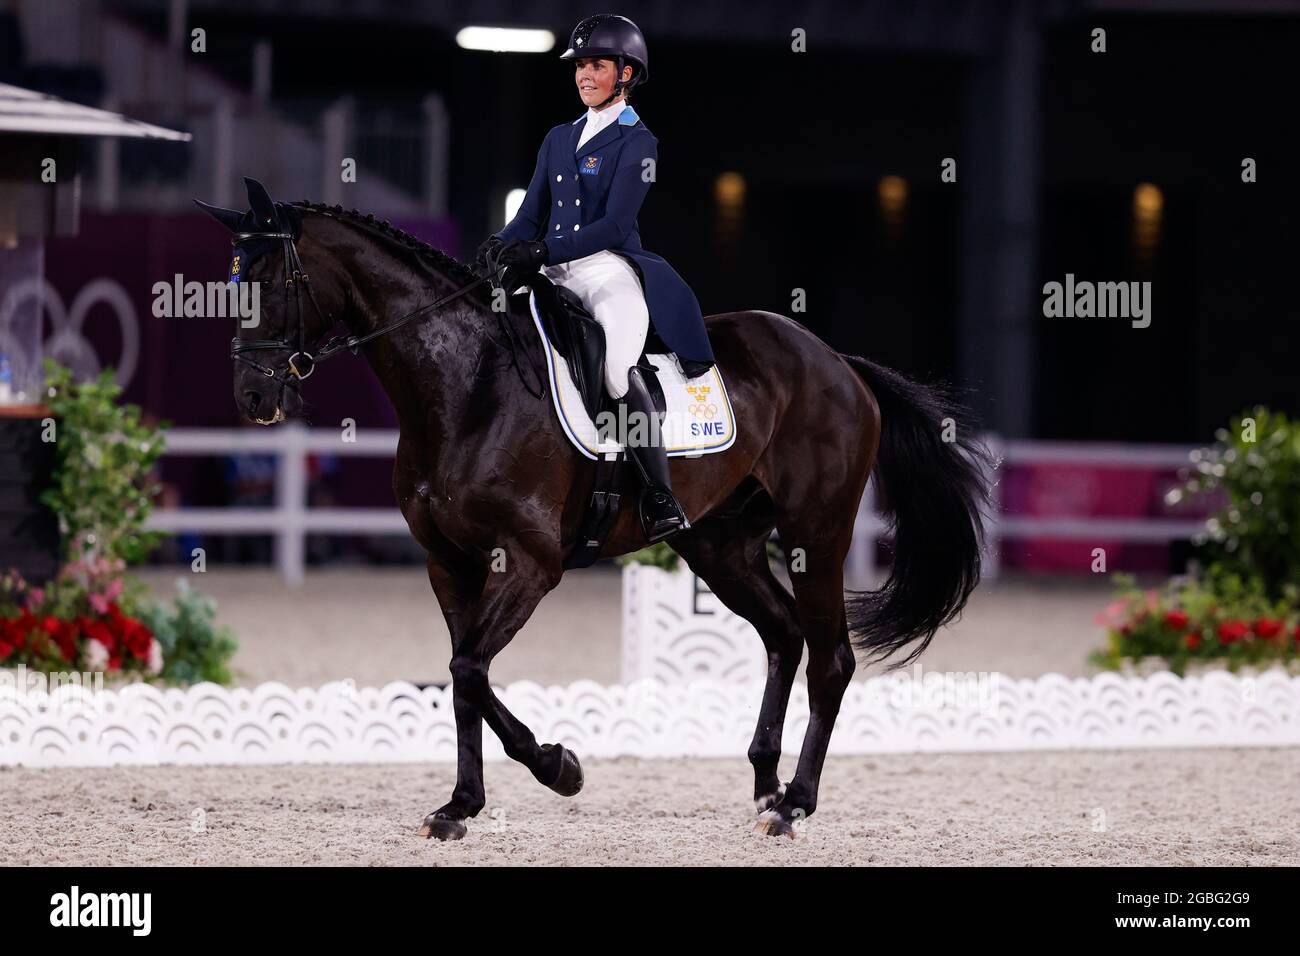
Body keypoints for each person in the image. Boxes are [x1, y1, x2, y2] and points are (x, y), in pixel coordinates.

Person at [475, 14, 714, 544]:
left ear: (625, 74)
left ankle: (659, 496)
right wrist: (503, 241)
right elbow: (530, 212)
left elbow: (614, 225)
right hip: (554, 267)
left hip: (609, 268)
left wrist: (539, 250)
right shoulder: (559, 138)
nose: (585, 75)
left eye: (597, 66)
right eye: (581, 65)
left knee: (617, 369)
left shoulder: (639, 142)